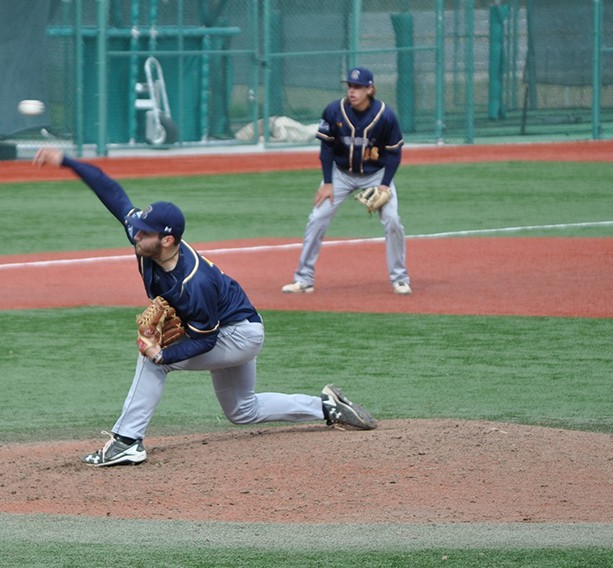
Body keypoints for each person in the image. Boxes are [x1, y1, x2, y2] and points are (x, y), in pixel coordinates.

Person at [33, 147, 377, 467]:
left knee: (152, 362)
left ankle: (127, 442)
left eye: (143, 234)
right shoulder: (148, 239)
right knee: (243, 410)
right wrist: (67, 161)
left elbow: (207, 340)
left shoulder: (193, 283)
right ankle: (327, 407)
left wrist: (162, 355)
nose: (134, 236)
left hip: (239, 335)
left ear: (167, 240)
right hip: (232, 326)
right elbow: (110, 190)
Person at [282, 66, 412, 295]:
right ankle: (303, 279)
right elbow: (326, 148)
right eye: (350, 86)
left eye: (358, 87)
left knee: (392, 220)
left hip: (376, 175)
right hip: (340, 174)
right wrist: (328, 182)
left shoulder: (386, 116)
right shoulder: (334, 110)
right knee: (317, 218)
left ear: (370, 89)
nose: (352, 91)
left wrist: (384, 184)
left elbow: (394, 154)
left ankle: (400, 278)